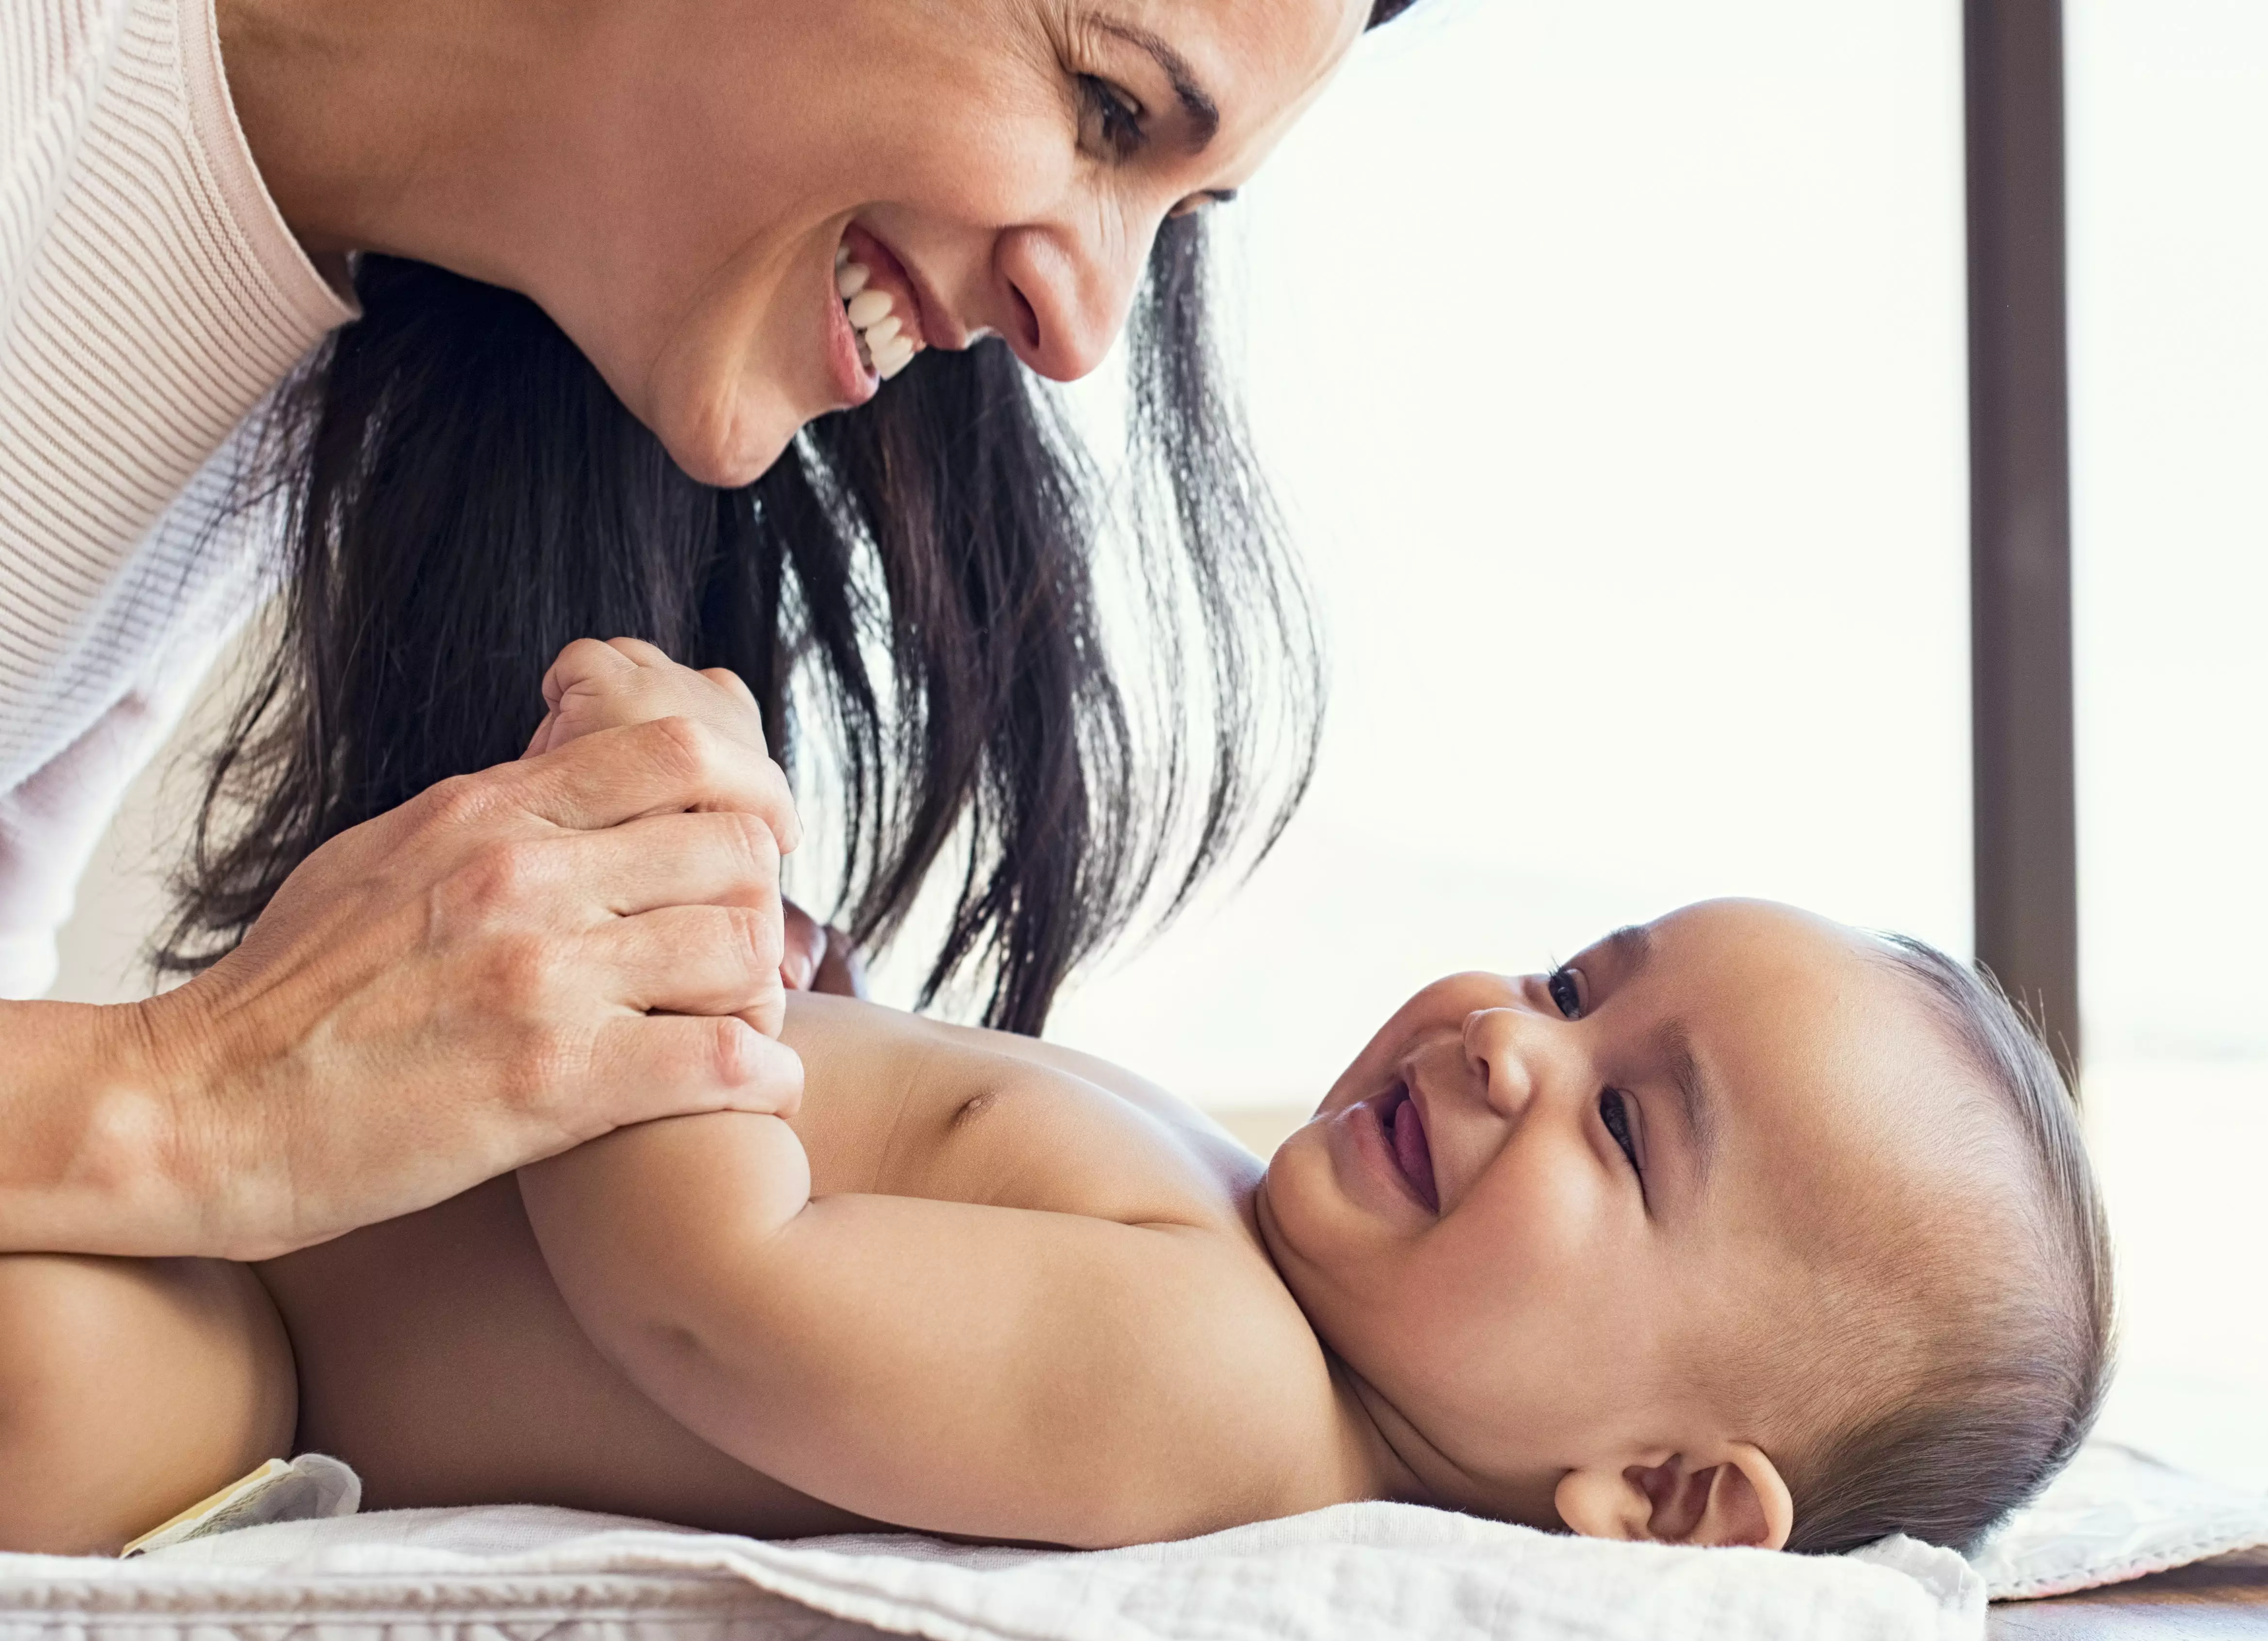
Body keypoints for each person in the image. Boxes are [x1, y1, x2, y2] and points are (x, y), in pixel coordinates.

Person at [0, 648, 2115, 1557]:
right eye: (1576, 982)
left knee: (53, 1373)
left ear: (1661, 1498)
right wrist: (824, 1007)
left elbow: (711, 1293)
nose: (1508, 1043)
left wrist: (674, 898)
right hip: (276, 1214)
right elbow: (887, 1149)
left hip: (261, 1359)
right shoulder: (1237, 1245)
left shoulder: (1223, 1389)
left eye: (1626, 1129)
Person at [0, 0, 1411, 1268]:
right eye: (1108, 108)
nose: (1085, 333)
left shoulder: (290, 347)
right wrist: (203, 1097)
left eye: (1181, 212)